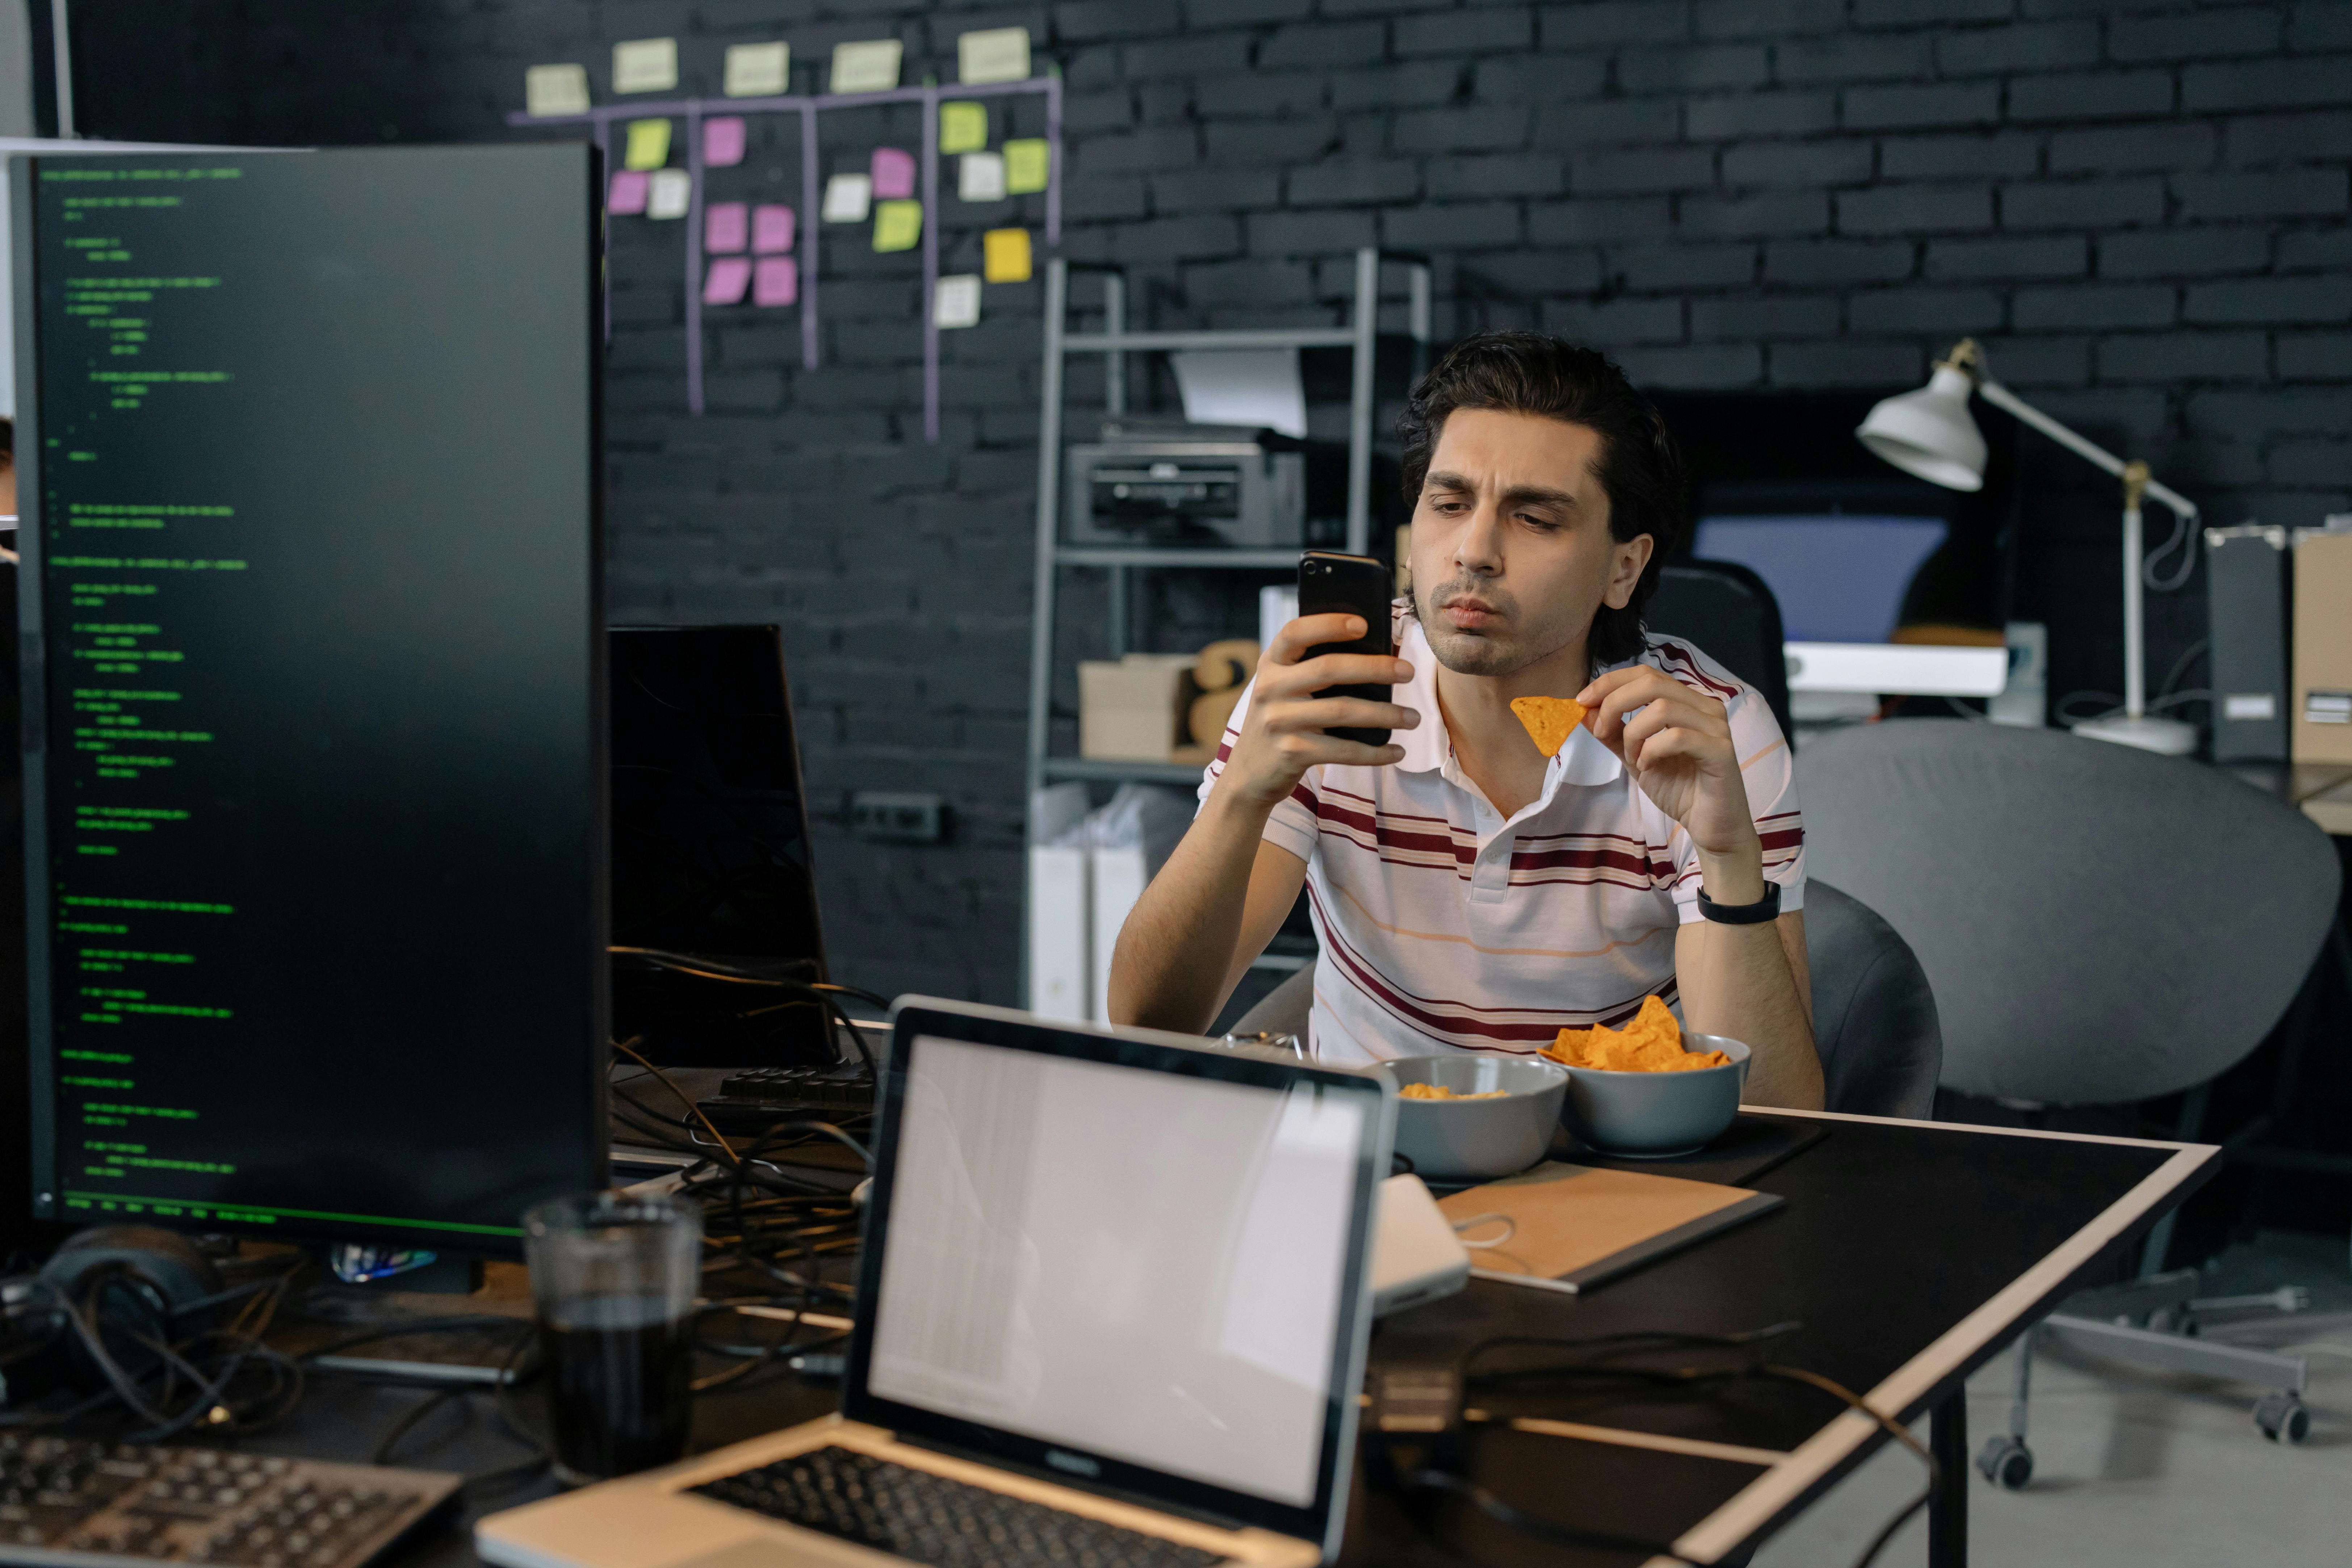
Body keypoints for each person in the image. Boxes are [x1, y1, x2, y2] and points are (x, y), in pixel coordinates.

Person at [1108, 333, 1822, 1109]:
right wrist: (1243, 792)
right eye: (1449, 505)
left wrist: (1728, 857)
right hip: (1372, 1153)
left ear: (1623, 567)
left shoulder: (1711, 734)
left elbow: (1778, 1111)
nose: (1473, 551)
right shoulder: (1327, 692)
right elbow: (1149, 1020)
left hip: (1608, 1155)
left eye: (1535, 518)